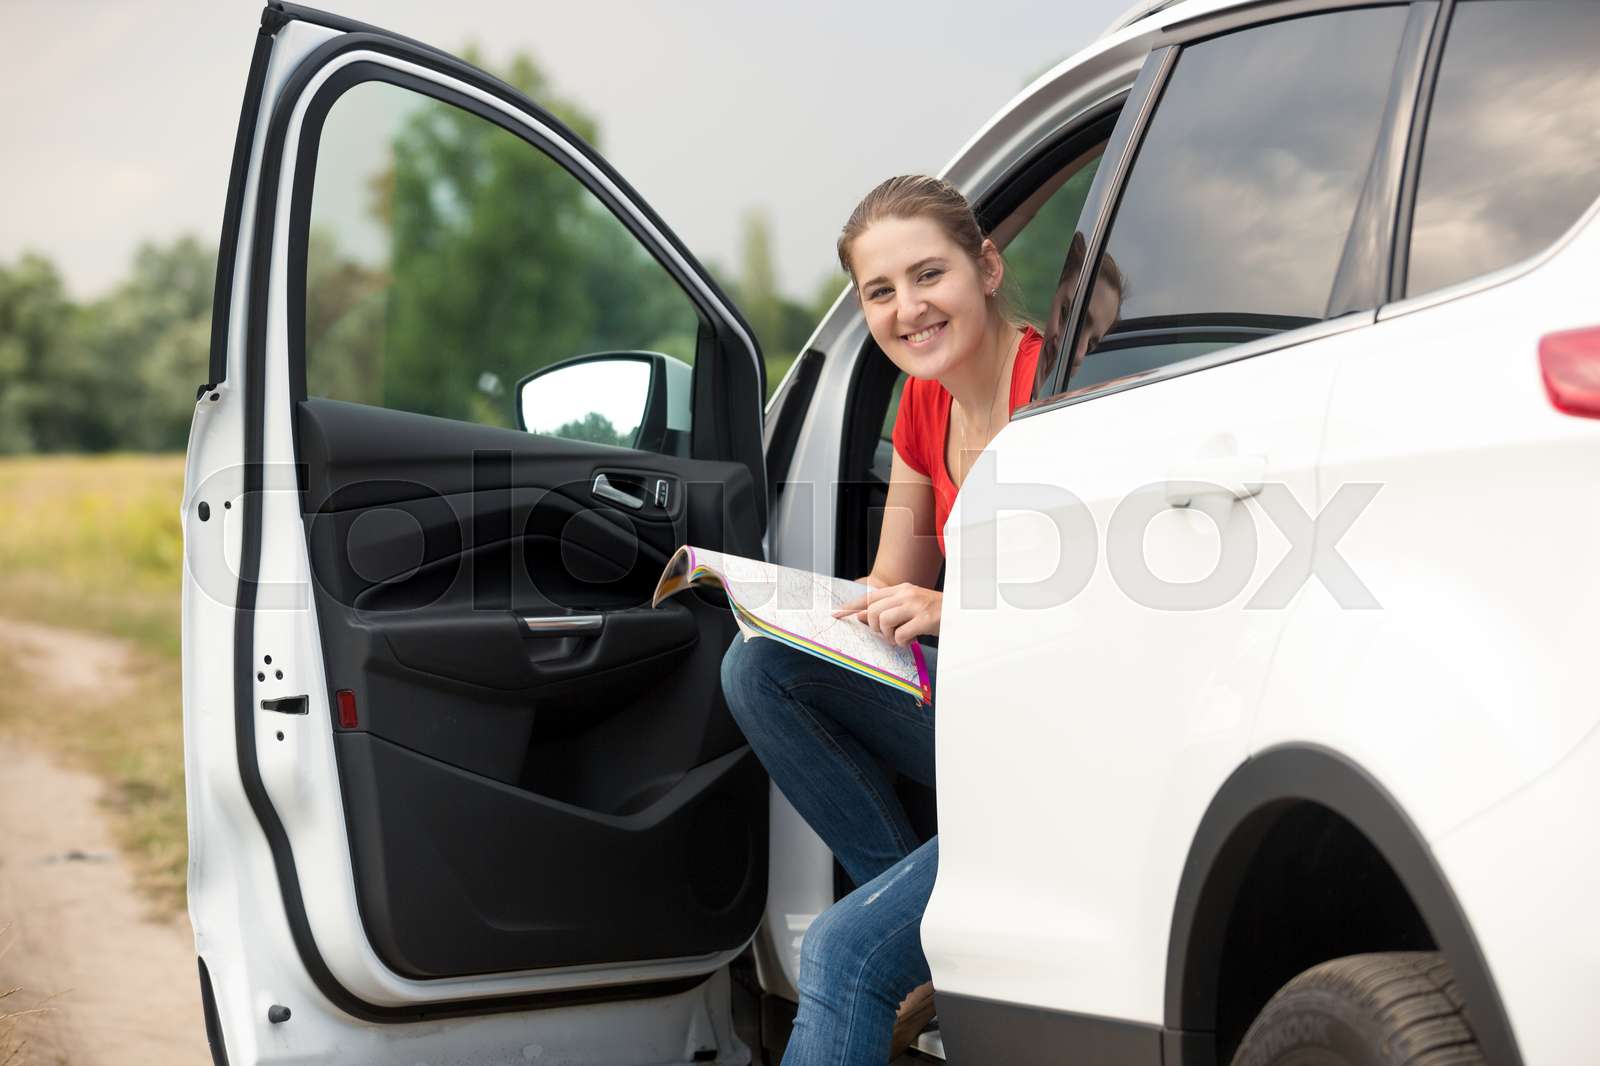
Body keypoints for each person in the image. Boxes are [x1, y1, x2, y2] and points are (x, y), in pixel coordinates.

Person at [720, 174, 1045, 1065]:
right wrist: (781, 607)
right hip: (976, 721)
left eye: (929, 274)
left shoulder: (1053, 393)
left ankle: (907, 937)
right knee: (761, 667)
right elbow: (890, 585)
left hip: (1054, 748)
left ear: (986, 267)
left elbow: (1087, 615)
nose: (908, 308)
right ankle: (923, 930)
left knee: (843, 949)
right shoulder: (925, 403)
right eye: (881, 291)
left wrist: (947, 609)